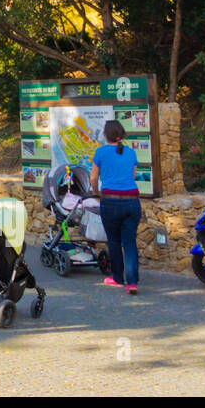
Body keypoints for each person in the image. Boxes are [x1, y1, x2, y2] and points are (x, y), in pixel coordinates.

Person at [91, 119, 141, 294]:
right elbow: (132, 176)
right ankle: (132, 282)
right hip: (132, 201)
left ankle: (118, 278)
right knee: (129, 242)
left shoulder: (100, 152)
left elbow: (93, 178)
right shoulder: (131, 153)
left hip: (110, 201)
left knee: (113, 240)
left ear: (106, 135)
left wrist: (96, 193)